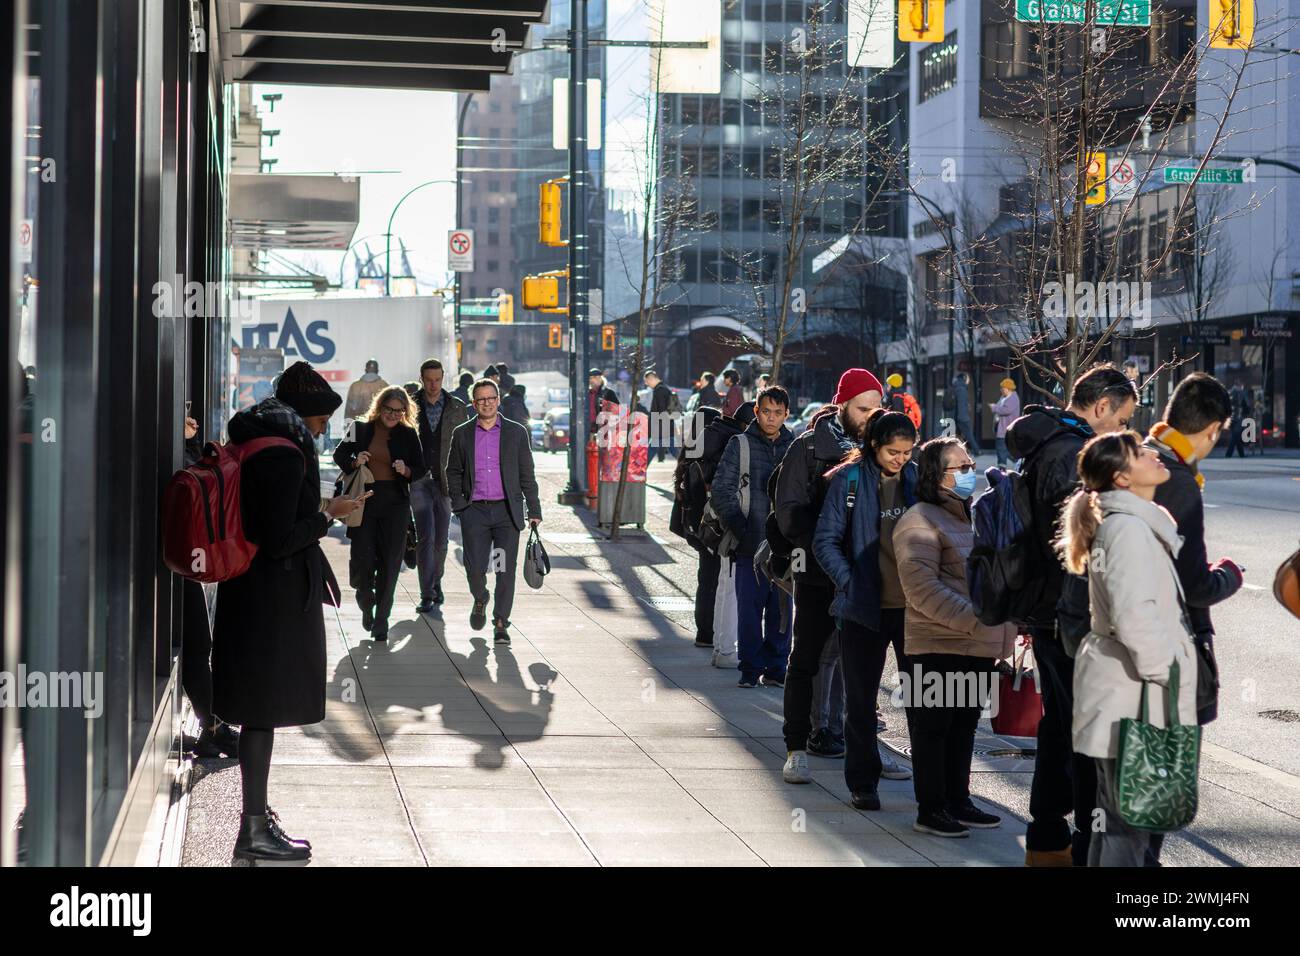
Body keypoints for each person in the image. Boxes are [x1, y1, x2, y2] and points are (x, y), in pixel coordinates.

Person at [213, 361, 364, 865]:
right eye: (322, 419)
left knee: (261, 712)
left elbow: (267, 516)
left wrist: (316, 508)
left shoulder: (259, 436)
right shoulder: (284, 452)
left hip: (251, 597)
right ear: (306, 413)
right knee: (263, 714)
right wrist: (327, 515)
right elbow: (278, 538)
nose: (323, 429)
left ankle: (256, 818)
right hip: (270, 603)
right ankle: (252, 830)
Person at [1005, 362, 1138, 867]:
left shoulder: (1049, 443)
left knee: (1060, 725)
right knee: (1083, 733)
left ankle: (1047, 841)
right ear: (1101, 406)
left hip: (1048, 612)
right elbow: (1078, 546)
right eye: (1121, 419)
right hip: (1068, 616)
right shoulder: (1070, 453)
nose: (1124, 431)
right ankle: (1082, 844)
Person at [1055, 431, 1198, 866]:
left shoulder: (1128, 523)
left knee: (1117, 819)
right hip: (1132, 692)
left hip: (1123, 687)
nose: (1154, 455)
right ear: (1121, 478)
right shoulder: (1129, 530)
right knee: (1127, 825)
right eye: (1140, 453)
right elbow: (1133, 617)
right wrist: (1168, 671)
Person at [894, 437, 1015, 835]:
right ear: (935, 475)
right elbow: (922, 590)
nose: (969, 473)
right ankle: (932, 810)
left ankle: (958, 801)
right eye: (959, 468)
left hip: (975, 645)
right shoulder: (919, 519)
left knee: (963, 727)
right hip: (937, 645)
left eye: (970, 465)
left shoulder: (969, 517)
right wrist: (979, 619)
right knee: (933, 730)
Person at [776, 368, 884, 782]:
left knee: (864, 667)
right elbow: (789, 512)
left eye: (877, 407)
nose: (871, 414)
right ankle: (796, 747)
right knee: (805, 657)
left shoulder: (878, 447)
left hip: (868, 577)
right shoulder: (809, 448)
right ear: (842, 404)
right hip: (819, 574)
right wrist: (828, 548)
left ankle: (867, 747)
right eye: (863, 407)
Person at [811, 408, 921, 807]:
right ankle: (863, 783)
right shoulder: (848, 480)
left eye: (908, 451)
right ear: (874, 444)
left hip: (912, 609)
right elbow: (824, 541)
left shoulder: (914, 477)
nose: (901, 459)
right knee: (860, 702)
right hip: (862, 608)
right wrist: (852, 582)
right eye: (894, 451)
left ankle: (931, 788)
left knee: (923, 701)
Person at [1145, 374, 1243, 726]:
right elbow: (1194, 586)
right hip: (1168, 655)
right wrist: (1228, 575)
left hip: (1121, 655)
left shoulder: (1137, 459)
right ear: (1213, 429)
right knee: (1165, 774)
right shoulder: (1177, 481)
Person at [445, 378, 542, 645]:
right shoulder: (463, 433)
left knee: (504, 569)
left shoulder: (516, 432)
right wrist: (460, 504)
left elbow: (527, 473)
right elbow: (452, 471)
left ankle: (501, 622)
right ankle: (480, 597)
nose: (486, 403)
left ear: (498, 399)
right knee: (475, 568)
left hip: (506, 514)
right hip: (474, 512)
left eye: (491, 398)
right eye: (481, 399)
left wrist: (534, 509)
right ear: (474, 404)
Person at [711, 386, 794, 687]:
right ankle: (749, 668)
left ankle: (776, 668)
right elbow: (722, 489)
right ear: (756, 411)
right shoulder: (740, 444)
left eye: (778, 413)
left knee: (781, 613)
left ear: (786, 414)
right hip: (749, 542)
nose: (771, 418)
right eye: (766, 411)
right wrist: (740, 527)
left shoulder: (795, 446)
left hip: (784, 546)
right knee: (749, 610)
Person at [333, 386, 427, 640]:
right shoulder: (359, 427)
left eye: (399, 411)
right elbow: (338, 454)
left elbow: (420, 468)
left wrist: (405, 469)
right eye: (389, 409)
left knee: (390, 561)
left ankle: (382, 619)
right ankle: (366, 600)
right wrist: (355, 461)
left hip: (396, 503)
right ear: (380, 406)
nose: (393, 415)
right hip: (364, 501)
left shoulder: (408, 434)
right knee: (362, 559)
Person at [182, 410, 240, 758]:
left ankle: (213, 725)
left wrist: (187, 441)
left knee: (198, 645)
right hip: (168, 560)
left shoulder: (175, 444)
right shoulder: (156, 440)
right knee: (196, 644)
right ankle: (214, 726)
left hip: (177, 559)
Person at [412, 359, 469, 612]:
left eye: (437, 379)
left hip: (446, 480)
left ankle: (436, 582)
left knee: (441, 541)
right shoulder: (410, 404)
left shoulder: (457, 407)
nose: (433, 385)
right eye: (429, 380)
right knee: (425, 537)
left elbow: (465, 447)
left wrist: (464, 482)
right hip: (419, 480)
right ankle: (426, 592)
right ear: (422, 379)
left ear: (443, 377)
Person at [670, 406, 723, 648]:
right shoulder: (709, 457)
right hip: (710, 528)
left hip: (695, 528)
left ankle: (704, 631)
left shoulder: (690, 452)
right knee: (712, 580)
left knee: (706, 579)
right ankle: (707, 631)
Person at [646, 370, 678, 462]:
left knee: (652, 450)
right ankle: (686, 468)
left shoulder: (660, 390)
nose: (647, 384)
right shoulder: (663, 389)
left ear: (651, 379)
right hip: (664, 427)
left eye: (647, 381)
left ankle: (640, 471)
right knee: (673, 450)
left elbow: (661, 410)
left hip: (662, 427)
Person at [989, 378, 1020, 466]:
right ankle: (1015, 462)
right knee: (1004, 449)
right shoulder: (1004, 397)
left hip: (1006, 429)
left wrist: (994, 408)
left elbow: (1006, 410)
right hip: (1001, 428)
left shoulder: (1013, 398)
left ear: (1008, 388)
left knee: (1002, 449)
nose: (1001, 390)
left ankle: (1002, 467)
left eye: (1002, 388)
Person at [950, 370, 979, 453]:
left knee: (957, 436)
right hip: (962, 417)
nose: (968, 381)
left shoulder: (956, 387)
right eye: (968, 379)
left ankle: (959, 451)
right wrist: (964, 417)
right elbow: (961, 405)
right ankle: (976, 450)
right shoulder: (961, 389)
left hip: (956, 416)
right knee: (969, 434)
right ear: (964, 378)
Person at [1123, 360, 1152, 436]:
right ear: (1129, 371)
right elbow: (1134, 399)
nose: (1137, 374)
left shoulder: (1121, 382)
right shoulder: (1131, 383)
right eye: (1135, 371)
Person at [587, 368, 620, 436]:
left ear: (601, 379)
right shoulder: (587, 393)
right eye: (590, 378)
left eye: (596, 377)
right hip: (588, 427)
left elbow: (617, 410)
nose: (592, 380)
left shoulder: (608, 393)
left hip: (603, 429)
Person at [1225, 380, 1249, 458]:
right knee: (1235, 436)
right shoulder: (1242, 393)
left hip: (1230, 417)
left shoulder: (1228, 392)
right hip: (1239, 417)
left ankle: (1241, 454)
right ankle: (1228, 454)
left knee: (1236, 436)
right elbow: (1247, 405)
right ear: (1240, 385)